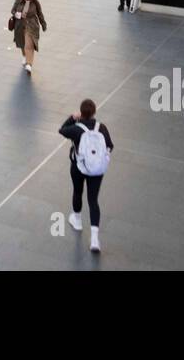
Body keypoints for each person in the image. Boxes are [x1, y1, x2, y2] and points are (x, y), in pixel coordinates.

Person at [59, 99, 113, 253]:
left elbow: (62, 130)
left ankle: (77, 220)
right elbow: (110, 146)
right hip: (97, 171)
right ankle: (95, 238)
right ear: (94, 112)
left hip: (78, 167)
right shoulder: (101, 128)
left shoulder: (76, 129)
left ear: (81, 113)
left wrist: (72, 117)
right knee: (93, 200)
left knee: (78, 192)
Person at [10, 0, 48, 75]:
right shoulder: (18, 1)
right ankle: (24, 56)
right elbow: (12, 10)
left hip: (31, 26)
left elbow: (40, 14)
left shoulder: (35, 3)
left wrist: (43, 24)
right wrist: (16, 14)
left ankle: (29, 64)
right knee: (22, 43)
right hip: (19, 25)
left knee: (29, 44)